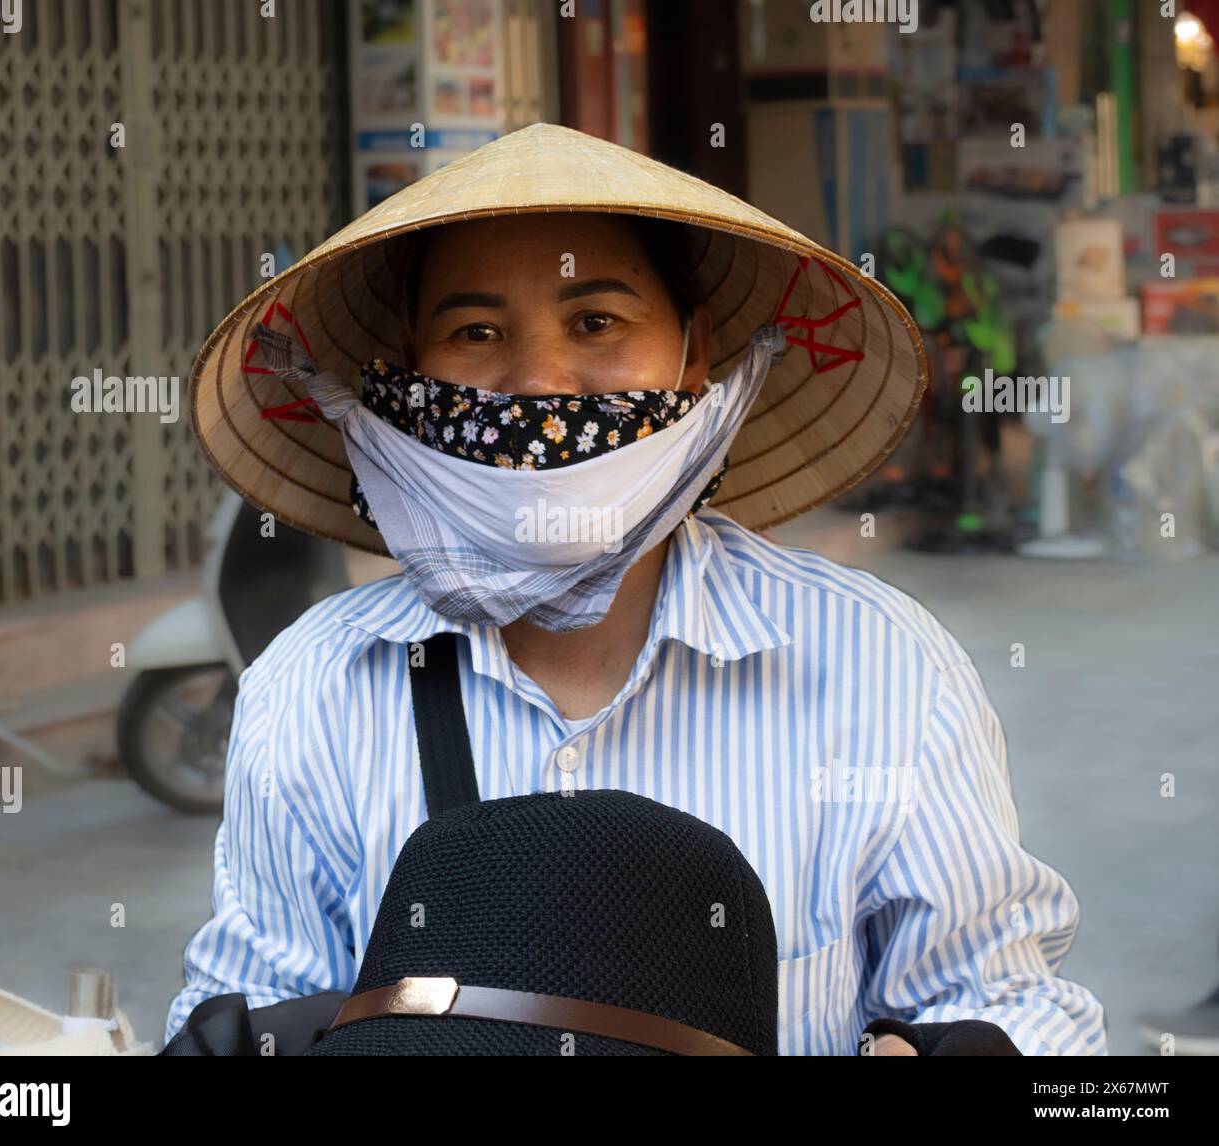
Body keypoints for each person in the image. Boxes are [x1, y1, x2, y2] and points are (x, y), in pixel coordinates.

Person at [165, 123, 1107, 1056]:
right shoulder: (310, 691)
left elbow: (1006, 995)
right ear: (412, 378)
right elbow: (252, 999)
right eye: (476, 332)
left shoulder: (880, 667)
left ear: (694, 355)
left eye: (597, 322)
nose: (540, 385)